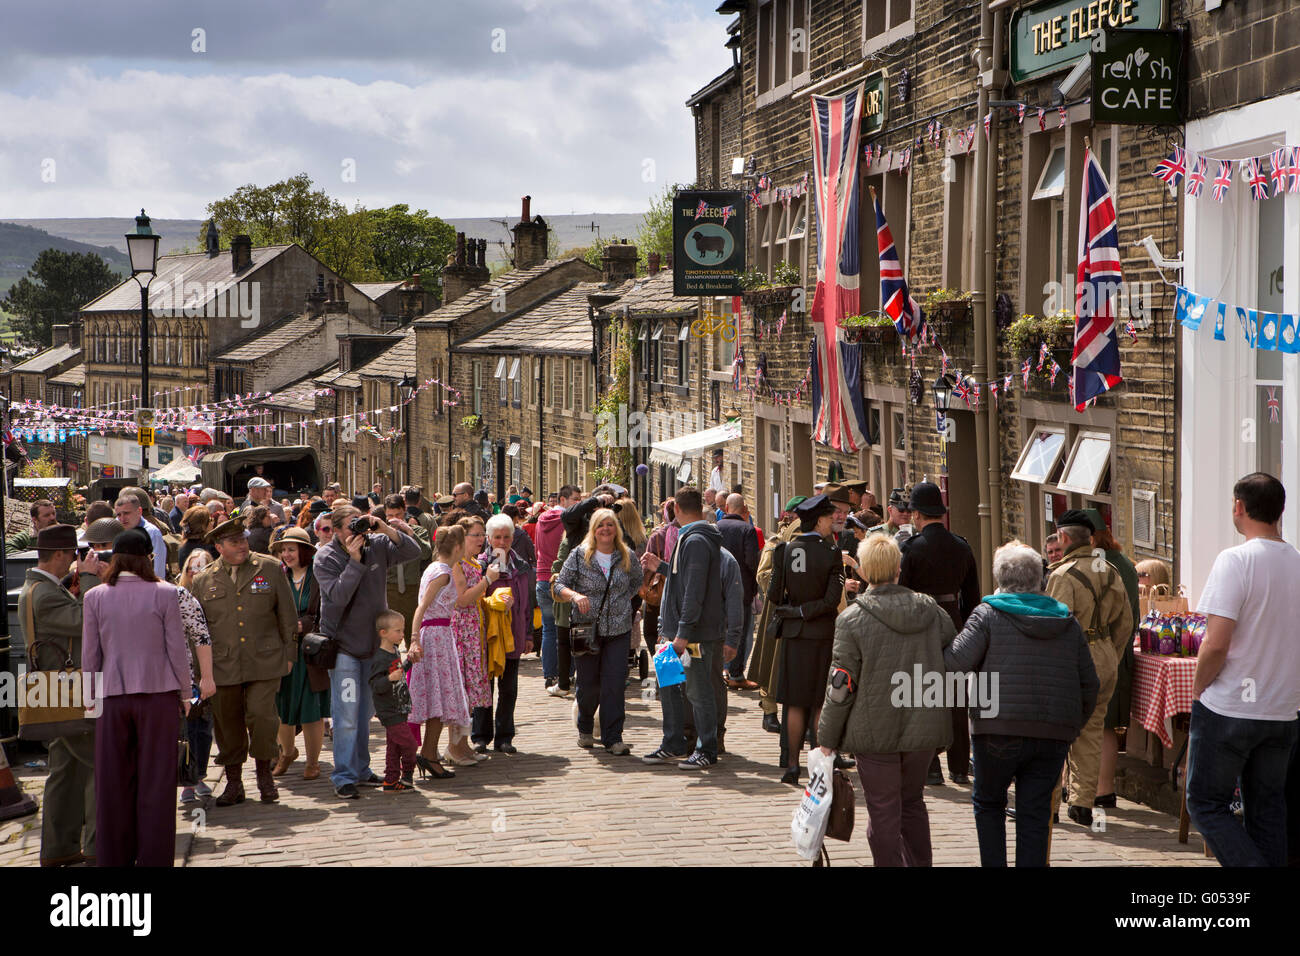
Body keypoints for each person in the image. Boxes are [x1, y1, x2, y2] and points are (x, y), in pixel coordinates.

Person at [944, 541, 1100, 866]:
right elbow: (1090, 684)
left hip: (996, 729)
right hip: (1052, 733)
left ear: (1000, 578)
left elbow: (955, 663)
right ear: (1039, 580)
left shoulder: (987, 614)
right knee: (1035, 812)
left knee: (989, 805)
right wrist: (1071, 727)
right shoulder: (1067, 623)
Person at [816, 533, 953, 865]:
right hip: (923, 723)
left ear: (864, 571)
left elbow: (840, 684)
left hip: (873, 729)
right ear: (898, 569)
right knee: (912, 803)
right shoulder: (930, 610)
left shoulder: (851, 619)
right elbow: (954, 652)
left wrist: (826, 738)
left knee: (883, 811)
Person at [1187, 473, 1300, 867]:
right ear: (1280, 511)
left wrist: (1199, 688)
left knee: (1205, 803)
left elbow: (1216, 643)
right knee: (1268, 809)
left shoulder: (1234, 560)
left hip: (1231, 706)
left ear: (1239, 507)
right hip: (1283, 710)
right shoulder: (1297, 563)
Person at [82, 528, 193, 866]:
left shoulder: (95, 596)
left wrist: (90, 696)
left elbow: (91, 653)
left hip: (112, 697)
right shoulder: (165, 593)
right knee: (157, 782)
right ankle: (155, 859)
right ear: (147, 557)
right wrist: (187, 692)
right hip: (158, 694)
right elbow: (177, 648)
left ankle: (114, 857)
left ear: (113, 558)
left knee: (112, 781)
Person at [188, 517, 298, 806]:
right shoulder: (203, 580)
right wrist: (201, 672)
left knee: (263, 716)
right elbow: (198, 631)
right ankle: (234, 782)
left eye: (243, 539)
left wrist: (290, 654)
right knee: (227, 723)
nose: (242, 545)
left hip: (264, 659)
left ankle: (265, 774)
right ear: (219, 546)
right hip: (223, 665)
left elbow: (288, 615)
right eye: (234, 542)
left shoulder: (270, 568)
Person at [314, 504, 421, 798]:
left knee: (365, 714)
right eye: (350, 525)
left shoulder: (377, 544)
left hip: (375, 648)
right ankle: (344, 775)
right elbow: (336, 598)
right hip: (345, 648)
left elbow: (414, 552)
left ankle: (361, 769)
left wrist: (385, 528)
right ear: (335, 531)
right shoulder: (325, 557)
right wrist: (354, 561)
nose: (357, 530)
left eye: (359, 523)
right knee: (346, 715)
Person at [18, 525, 102, 866]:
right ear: (60, 555)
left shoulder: (38, 587)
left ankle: (59, 849)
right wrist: (93, 580)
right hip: (67, 691)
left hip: (54, 690)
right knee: (101, 764)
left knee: (65, 771)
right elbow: (86, 619)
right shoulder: (45, 593)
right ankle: (99, 847)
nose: (75, 561)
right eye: (73, 555)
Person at [1045, 509, 1133, 826]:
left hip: (1073, 658)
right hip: (1105, 653)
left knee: (1056, 732)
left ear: (1065, 538)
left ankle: (1051, 803)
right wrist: (1111, 652)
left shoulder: (1061, 576)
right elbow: (1126, 623)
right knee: (1092, 729)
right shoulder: (1109, 570)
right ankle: (1082, 803)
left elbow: (1056, 626)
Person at [896, 481, 981, 787]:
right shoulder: (962, 546)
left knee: (923, 695)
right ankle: (959, 766)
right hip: (955, 623)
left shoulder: (910, 549)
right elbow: (973, 598)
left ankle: (931, 766)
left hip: (920, 624)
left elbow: (901, 594)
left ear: (917, 514)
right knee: (957, 695)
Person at [641, 487, 726, 770]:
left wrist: (683, 634)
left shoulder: (697, 540)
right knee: (668, 686)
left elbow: (694, 591)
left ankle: (707, 748)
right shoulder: (687, 537)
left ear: (676, 508)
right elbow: (683, 578)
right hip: (675, 632)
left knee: (698, 693)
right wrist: (662, 567)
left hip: (691, 635)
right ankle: (673, 741)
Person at [766, 494, 844, 784]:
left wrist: (794, 607)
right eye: (829, 518)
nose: (831, 524)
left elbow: (773, 595)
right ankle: (819, 766)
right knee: (820, 702)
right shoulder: (831, 553)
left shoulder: (785, 550)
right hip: (821, 633)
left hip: (794, 635)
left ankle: (791, 766)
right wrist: (805, 610)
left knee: (794, 702)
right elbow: (831, 601)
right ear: (820, 520)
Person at [554, 508, 644, 755]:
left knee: (614, 683)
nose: (606, 529)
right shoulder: (579, 555)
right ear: (593, 530)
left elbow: (637, 581)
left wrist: (622, 601)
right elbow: (560, 584)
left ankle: (613, 736)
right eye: (600, 525)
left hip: (618, 629)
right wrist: (575, 596)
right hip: (586, 629)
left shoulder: (626, 556)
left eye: (610, 524)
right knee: (589, 683)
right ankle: (585, 729)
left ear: (616, 528)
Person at [1079, 510, 1140, 810]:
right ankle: (1104, 790)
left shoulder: (1090, 567)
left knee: (1094, 725)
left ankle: (1093, 791)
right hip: (1119, 652)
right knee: (1106, 725)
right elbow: (1130, 619)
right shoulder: (1126, 564)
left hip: (1095, 652)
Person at [408, 524, 472, 779]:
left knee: (439, 697)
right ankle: (429, 754)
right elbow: (421, 607)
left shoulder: (437, 568)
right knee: (437, 696)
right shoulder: (442, 572)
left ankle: (430, 752)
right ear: (457, 547)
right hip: (435, 636)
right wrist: (414, 638)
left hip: (440, 634)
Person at [269, 527, 329, 780]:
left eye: (291, 549)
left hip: (310, 652)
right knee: (281, 707)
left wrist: (307, 623)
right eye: (283, 550)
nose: (286, 554)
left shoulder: (318, 576)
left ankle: (313, 762)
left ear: (304, 551)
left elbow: (327, 611)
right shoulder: (277, 576)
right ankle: (287, 752)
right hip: (284, 650)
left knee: (310, 709)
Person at [472, 514, 535, 754]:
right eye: (497, 537)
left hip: (514, 633)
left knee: (509, 689)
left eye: (506, 537)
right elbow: (473, 599)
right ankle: (480, 736)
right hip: (487, 635)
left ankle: (505, 736)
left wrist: (529, 635)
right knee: (484, 686)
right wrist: (494, 599)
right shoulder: (479, 565)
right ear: (488, 538)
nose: (501, 541)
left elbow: (528, 603)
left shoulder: (522, 565)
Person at [445, 516, 496, 764]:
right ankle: (453, 748)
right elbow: (462, 599)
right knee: (460, 690)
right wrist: (487, 580)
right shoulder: (457, 564)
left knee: (468, 692)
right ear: (461, 537)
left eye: (482, 533)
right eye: (475, 534)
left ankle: (463, 745)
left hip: (473, 629)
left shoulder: (473, 562)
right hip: (460, 632)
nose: (481, 539)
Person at [537, 485, 581, 694]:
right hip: (560, 580)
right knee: (566, 631)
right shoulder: (569, 523)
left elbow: (537, 546)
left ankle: (550, 675)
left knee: (549, 630)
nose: (578, 503)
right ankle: (567, 674)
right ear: (563, 500)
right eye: (575, 499)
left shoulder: (541, 519)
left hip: (542, 578)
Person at [370, 611, 418, 793]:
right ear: (383, 633)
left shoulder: (395, 651)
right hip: (389, 711)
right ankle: (407, 775)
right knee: (410, 744)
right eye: (397, 631)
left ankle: (391, 780)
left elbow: (398, 673)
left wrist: (409, 662)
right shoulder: (379, 658)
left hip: (400, 707)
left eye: (403, 630)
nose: (401, 635)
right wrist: (389, 678)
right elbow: (375, 685)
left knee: (394, 747)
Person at [717, 492, 760, 690]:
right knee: (740, 630)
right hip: (741, 587)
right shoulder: (747, 530)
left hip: (717, 587)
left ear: (725, 508)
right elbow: (752, 561)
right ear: (744, 510)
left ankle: (720, 670)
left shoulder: (715, 529)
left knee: (720, 628)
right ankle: (735, 674)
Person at [384, 494, 431, 645]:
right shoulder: (381, 535)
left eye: (397, 514)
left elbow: (426, 552)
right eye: (390, 515)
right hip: (389, 589)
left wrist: (410, 533)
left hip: (412, 589)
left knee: (414, 638)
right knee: (389, 640)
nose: (394, 519)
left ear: (404, 511)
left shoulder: (418, 531)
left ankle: (414, 668)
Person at [114, 493, 168, 580]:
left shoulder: (152, 533)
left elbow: (158, 571)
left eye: (126, 513)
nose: (122, 519)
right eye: (119, 515)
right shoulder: (114, 530)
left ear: (139, 511)